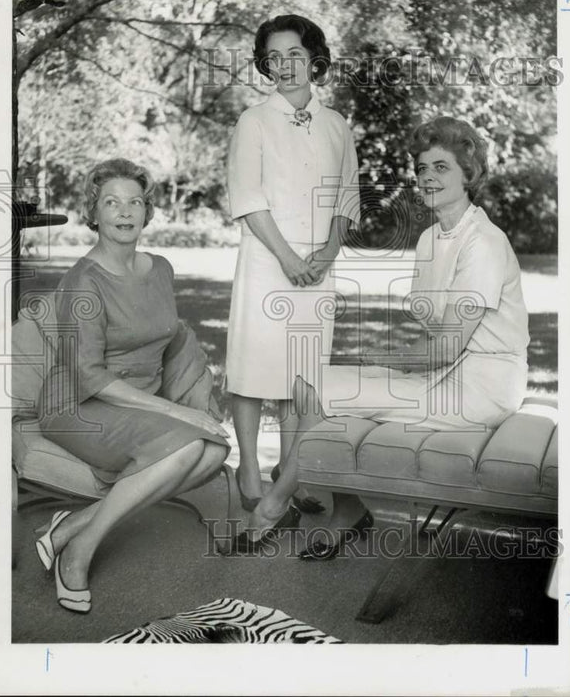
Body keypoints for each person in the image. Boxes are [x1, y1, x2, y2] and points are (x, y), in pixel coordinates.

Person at [226, 115, 529, 557]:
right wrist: (382, 364)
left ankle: (272, 507)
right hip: (445, 373)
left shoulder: (483, 242)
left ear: (470, 173)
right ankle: (344, 510)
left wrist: (373, 358)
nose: (427, 176)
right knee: (311, 385)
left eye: (441, 167)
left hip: (481, 386)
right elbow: (435, 332)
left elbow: (444, 346)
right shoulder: (430, 238)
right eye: (422, 168)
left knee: (322, 387)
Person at [35, 158, 230, 612]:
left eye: (135, 202)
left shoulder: (160, 268)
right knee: (186, 446)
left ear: (147, 212)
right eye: (111, 202)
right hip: (77, 404)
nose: (124, 212)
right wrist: (180, 413)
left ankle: (70, 526)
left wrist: (197, 396)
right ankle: (79, 553)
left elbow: (174, 338)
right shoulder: (82, 282)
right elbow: (90, 376)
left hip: (138, 403)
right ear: (94, 213)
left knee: (215, 452)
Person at [225, 14, 360, 514]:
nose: (285, 66)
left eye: (295, 55)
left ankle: (289, 465)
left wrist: (326, 255)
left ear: (314, 59)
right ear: (265, 64)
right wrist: (287, 258)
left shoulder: (336, 125)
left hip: (318, 266)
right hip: (267, 259)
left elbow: (348, 197)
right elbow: (248, 197)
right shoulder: (254, 121)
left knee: (299, 375)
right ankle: (248, 468)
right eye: (275, 57)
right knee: (253, 366)